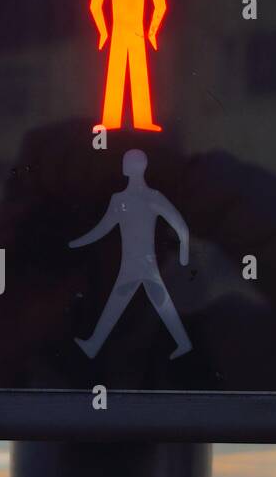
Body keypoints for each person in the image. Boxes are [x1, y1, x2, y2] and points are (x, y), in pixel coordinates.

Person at [69, 148, 192, 361]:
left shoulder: (149, 197)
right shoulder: (124, 199)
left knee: (124, 304)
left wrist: (184, 253)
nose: (124, 165)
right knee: (151, 303)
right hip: (138, 264)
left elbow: (180, 226)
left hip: (139, 265)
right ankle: (182, 343)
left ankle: (94, 344)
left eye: (127, 161)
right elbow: (103, 229)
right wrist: (77, 242)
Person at [90, 0, 166, 131]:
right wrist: (152, 31)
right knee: (134, 75)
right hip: (133, 30)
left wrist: (103, 30)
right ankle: (135, 121)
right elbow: (160, 5)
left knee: (119, 75)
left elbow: (95, 4)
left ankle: (115, 121)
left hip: (123, 30)